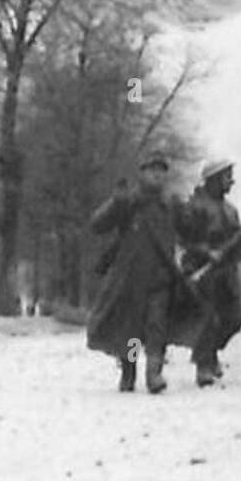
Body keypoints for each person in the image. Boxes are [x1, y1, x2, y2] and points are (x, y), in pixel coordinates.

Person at [86, 151, 189, 394]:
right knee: (130, 330)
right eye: (152, 169)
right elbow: (97, 225)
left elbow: (190, 231)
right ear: (142, 173)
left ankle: (154, 373)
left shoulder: (169, 206)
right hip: (130, 279)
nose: (157, 174)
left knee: (157, 327)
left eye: (162, 170)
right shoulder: (129, 202)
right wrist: (116, 203)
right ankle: (128, 370)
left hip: (160, 277)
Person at [183, 158, 241, 387]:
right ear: (213, 180)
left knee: (234, 320)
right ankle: (203, 366)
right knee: (207, 319)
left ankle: (210, 354)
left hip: (226, 272)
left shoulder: (231, 211)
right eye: (226, 176)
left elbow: (238, 239)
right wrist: (206, 252)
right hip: (202, 271)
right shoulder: (194, 207)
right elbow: (185, 240)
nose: (231, 181)